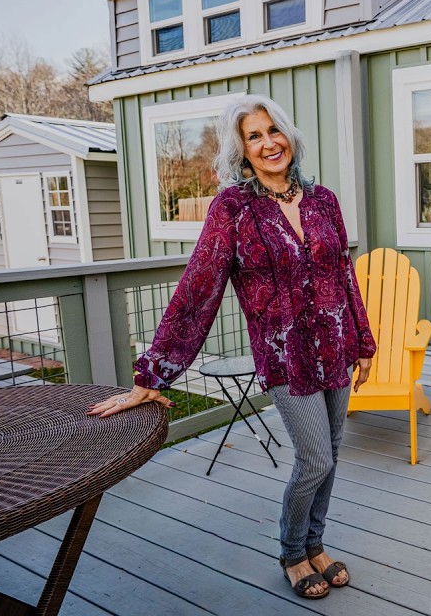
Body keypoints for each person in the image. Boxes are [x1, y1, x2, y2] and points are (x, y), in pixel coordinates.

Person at [87, 94, 376, 600]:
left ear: (289, 135)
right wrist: (152, 376)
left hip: (336, 345)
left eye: (273, 131)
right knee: (313, 460)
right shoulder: (234, 209)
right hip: (286, 356)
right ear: (241, 151)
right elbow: (199, 288)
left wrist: (364, 341)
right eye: (254, 136)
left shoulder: (323, 200)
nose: (269, 143)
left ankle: (316, 545)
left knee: (331, 453)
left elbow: (343, 274)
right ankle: (292, 552)